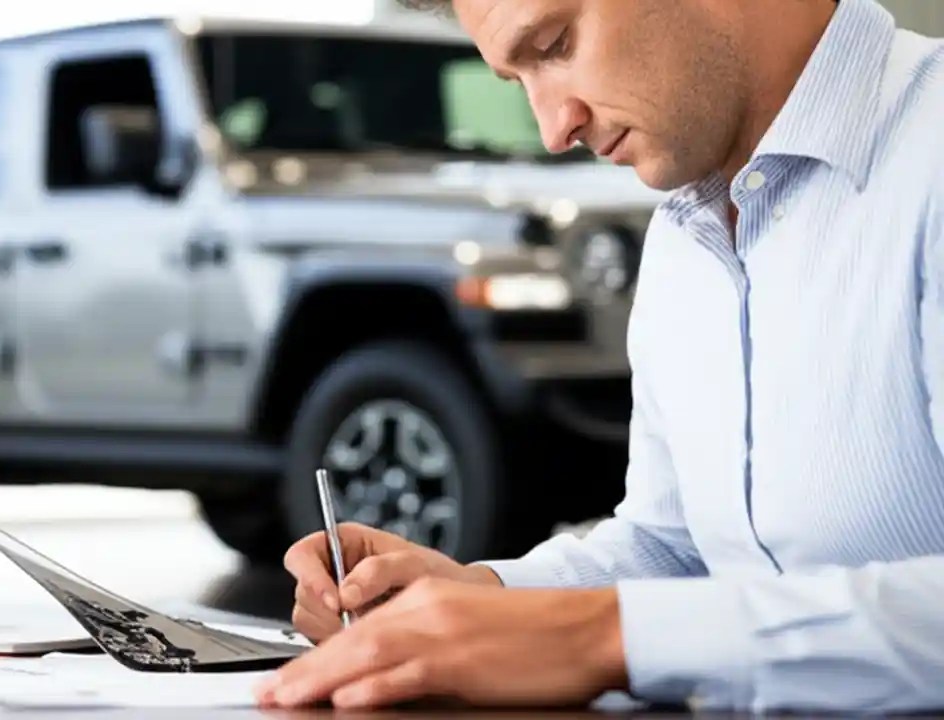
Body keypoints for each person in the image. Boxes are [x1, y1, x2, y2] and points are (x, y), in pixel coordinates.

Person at [253, 0, 944, 713]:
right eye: (515, 80)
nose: (554, 128)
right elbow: (680, 552)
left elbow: (650, 629)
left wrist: (597, 637)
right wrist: (481, 601)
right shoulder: (686, 229)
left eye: (555, 45)